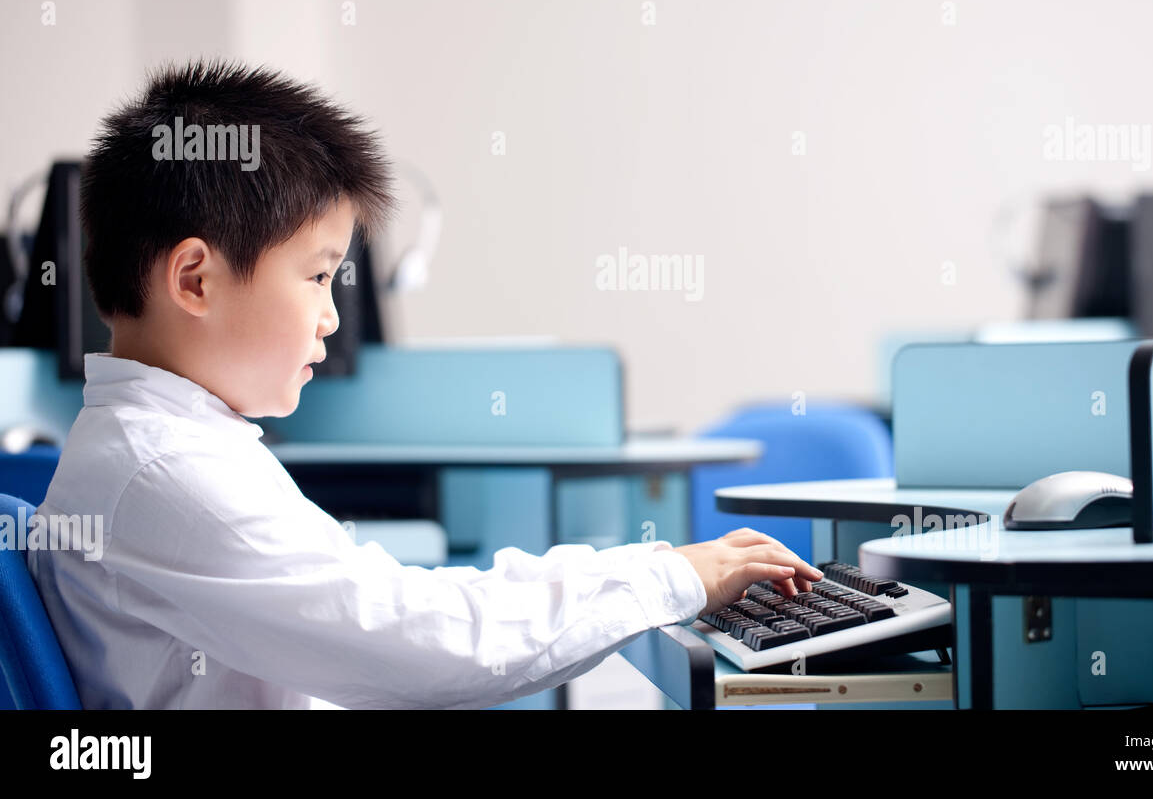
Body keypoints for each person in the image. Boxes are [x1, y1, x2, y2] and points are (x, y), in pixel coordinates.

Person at [27, 59, 821, 708]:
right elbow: (424, 645)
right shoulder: (166, 471)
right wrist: (670, 576)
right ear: (195, 280)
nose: (333, 318)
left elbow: (402, 608)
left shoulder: (167, 448)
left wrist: (656, 572)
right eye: (316, 277)